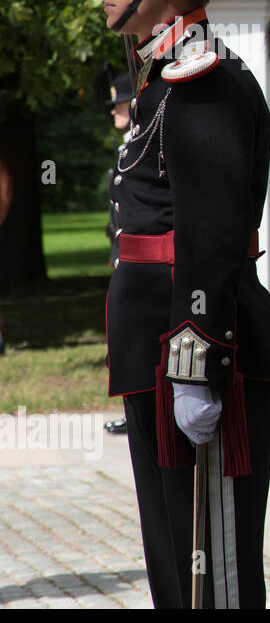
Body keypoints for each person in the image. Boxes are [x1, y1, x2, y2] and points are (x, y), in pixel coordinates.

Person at [89, 0, 270, 608]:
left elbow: (206, 239)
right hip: (159, 356)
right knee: (177, 567)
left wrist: (196, 365)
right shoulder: (162, 84)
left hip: (200, 360)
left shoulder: (200, 84)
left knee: (215, 577)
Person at [100, 64, 136, 436]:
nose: (114, 110)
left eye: (119, 103)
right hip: (123, 251)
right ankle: (132, 406)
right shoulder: (125, 147)